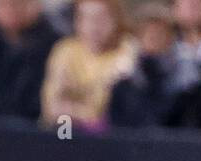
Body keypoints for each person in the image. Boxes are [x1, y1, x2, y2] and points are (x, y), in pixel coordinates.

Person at [40, 0, 137, 131]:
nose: (93, 26)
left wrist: (73, 107)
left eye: (101, 18)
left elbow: (102, 111)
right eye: (86, 18)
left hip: (108, 137)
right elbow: (51, 105)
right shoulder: (65, 50)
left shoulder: (127, 50)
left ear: (116, 19)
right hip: (64, 130)